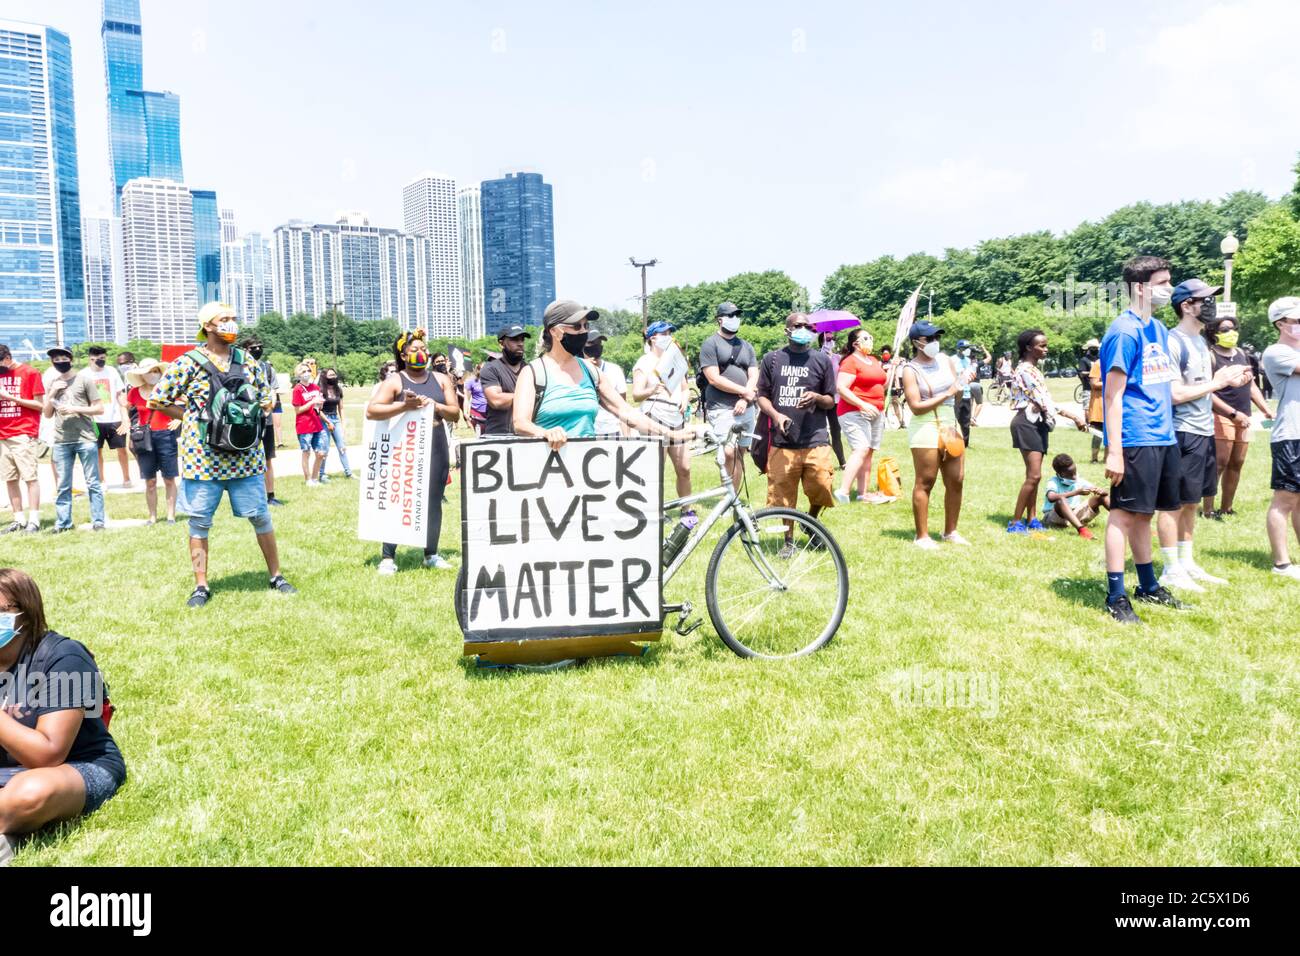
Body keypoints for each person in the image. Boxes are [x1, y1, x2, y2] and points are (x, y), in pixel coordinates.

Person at [149, 302, 296, 608]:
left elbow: (268, 395)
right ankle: (201, 585)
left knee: (261, 517)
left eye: (233, 318)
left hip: (246, 457)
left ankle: (276, 575)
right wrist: (194, 417)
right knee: (199, 523)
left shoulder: (246, 360)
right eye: (224, 319)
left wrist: (258, 408)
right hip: (203, 460)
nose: (232, 324)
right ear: (209, 326)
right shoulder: (188, 362)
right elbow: (158, 399)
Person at [0, 568, 126, 867]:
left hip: (75, 766)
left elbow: (48, 754)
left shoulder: (64, 657)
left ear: (25, 615)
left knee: (32, 793)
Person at [1098, 256, 1184, 624]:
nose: (1169, 289)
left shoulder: (1160, 329)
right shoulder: (1124, 331)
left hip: (1162, 434)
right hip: (1135, 436)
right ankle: (1116, 595)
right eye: (1162, 283)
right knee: (1123, 514)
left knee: (1146, 514)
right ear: (1140, 288)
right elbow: (1112, 394)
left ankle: (1147, 585)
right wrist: (1114, 450)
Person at [1156, 280, 1254, 591]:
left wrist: (1230, 386)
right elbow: (1173, 394)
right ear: (1186, 306)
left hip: (1203, 430)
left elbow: (1202, 391)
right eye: (1205, 300)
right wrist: (1217, 382)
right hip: (1181, 432)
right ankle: (1170, 568)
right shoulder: (1173, 342)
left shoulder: (1200, 342)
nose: (1211, 304)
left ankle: (1187, 562)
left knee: (1191, 501)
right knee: (1172, 503)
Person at [513, 300, 699, 452]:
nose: (583, 332)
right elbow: (520, 423)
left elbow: (627, 412)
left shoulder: (591, 371)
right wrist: (546, 432)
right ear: (555, 331)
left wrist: (673, 433)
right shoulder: (532, 373)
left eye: (586, 326)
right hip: (545, 469)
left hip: (586, 467)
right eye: (576, 327)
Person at [367, 330, 460, 575]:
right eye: (414, 349)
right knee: (399, 498)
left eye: (423, 348)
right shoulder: (395, 380)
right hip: (405, 447)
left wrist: (435, 405)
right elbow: (372, 410)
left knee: (433, 500)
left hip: (436, 444)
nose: (421, 353)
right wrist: (404, 406)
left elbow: (455, 412)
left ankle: (431, 553)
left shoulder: (441, 379)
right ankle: (388, 557)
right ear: (403, 355)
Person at [756, 313, 838, 557]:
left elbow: (831, 399)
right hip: (783, 441)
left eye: (807, 326)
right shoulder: (772, 360)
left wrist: (816, 397)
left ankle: (809, 521)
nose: (803, 329)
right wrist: (777, 416)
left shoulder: (821, 360)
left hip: (815, 437)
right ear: (787, 330)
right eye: (798, 326)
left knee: (823, 486)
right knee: (782, 495)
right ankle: (788, 541)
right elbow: (761, 396)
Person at [1007, 329, 1087, 535]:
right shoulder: (1026, 370)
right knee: (1034, 476)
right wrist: (1075, 417)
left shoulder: (1033, 369)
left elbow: (1045, 402)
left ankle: (1032, 518)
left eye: (1046, 345)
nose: (1046, 349)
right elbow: (1045, 402)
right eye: (1042, 345)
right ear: (1028, 348)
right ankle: (1016, 522)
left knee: (1034, 476)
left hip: (1038, 423)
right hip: (1027, 423)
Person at [900, 321, 972, 549]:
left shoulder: (946, 361)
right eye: (929, 339)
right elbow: (916, 406)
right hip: (925, 425)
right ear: (916, 343)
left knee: (956, 479)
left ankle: (950, 531)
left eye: (936, 338)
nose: (934, 343)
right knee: (926, 481)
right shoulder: (909, 369)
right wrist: (949, 392)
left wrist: (959, 388)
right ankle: (922, 536)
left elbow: (956, 395)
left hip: (950, 423)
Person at [1203, 314, 1273, 518]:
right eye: (1224, 329)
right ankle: (1208, 510)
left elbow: (1251, 386)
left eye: (1233, 328)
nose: (1230, 332)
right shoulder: (1210, 356)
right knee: (1220, 462)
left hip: (1244, 417)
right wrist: (1232, 414)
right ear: (1213, 332)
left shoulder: (1242, 353)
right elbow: (1208, 391)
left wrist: (1265, 408)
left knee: (1237, 462)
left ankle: (1226, 508)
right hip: (1221, 415)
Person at [43, 350, 106, 533]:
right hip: (62, 439)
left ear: (70, 360)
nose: (60, 362)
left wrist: (74, 408)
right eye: (56, 360)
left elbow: (99, 408)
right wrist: (53, 391)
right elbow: (47, 413)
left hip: (85, 437)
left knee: (93, 482)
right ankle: (63, 523)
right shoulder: (53, 383)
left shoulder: (84, 379)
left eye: (64, 359)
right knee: (63, 484)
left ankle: (98, 521)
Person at [632, 321, 693, 503]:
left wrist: (684, 398)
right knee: (656, 470)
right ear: (653, 338)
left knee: (684, 468)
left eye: (669, 333)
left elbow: (685, 388)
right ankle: (655, 510)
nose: (668, 336)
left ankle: (687, 510)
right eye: (664, 333)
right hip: (654, 418)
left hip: (676, 418)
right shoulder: (643, 363)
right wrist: (651, 390)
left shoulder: (674, 359)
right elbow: (636, 394)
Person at [700, 302, 759, 488]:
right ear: (720, 320)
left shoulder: (746, 345)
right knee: (728, 452)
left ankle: (734, 498)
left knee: (741, 452)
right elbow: (713, 378)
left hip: (747, 407)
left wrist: (745, 398)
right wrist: (743, 391)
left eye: (737, 315)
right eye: (731, 315)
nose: (735, 319)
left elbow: (754, 373)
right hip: (722, 407)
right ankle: (727, 493)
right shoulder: (710, 344)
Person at [1262, 297, 1300, 581]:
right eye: (1296, 321)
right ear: (1281, 324)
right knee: (1285, 499)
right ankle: (1281, 564)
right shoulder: (1276, 352)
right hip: (1291, 434)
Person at [834, 327, 890, 504]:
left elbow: (883, 384)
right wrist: (862, 404)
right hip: (854, 412)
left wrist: (892, 369)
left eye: (871, 337)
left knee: (869, 451)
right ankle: (843, 490)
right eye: (866, 337)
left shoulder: (873, 360)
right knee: (861, 449)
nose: (870, 340)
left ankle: (862, 493)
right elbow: (841, 388)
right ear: (855, 344)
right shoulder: (850, 362)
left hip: (876, 411)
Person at [125, 358, 180, 524]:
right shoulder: (134, 392)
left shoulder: (168, 389)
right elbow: (126, 408)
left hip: (166, 435)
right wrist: (128, 428)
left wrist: (179, 419)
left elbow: (189, 403)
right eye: (149, 371)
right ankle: (152, 516)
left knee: (169, 478)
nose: (152, 374)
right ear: (142, 375)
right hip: (144, 437)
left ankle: (171, 515)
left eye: (155, 371)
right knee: (150, 480)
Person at [0, 343, 45, 533]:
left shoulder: (30, 372)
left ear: (8, 358)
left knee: (30, 477)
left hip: (23, 432)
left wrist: (11, 398)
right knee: (9, 479)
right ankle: (18, 519)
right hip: (2, 433)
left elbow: (40, 405)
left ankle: (34, 519)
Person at [239, 336, 285, 506]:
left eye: (259, 347)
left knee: (267, 459)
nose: (257, 350)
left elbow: (273, 390)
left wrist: (269, 408)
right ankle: (248, 497)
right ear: (245, 350)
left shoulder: (267, 368)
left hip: (265, 418)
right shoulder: (237, 367)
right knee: (245, 458)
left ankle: (270, 495)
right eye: (253, 348)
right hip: (245, 420)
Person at [85, 346, 131, 490]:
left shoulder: (111, 371)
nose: (100, 361)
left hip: (114, 418)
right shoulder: (83, 374)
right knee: (96, 450)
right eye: (97, 359)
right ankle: (101, 480)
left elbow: (120, 395)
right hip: (93, 420)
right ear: (90, 359)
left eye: (103, 358)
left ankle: (127, 478)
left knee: (121, 449)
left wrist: (125, 418)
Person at [1043, 453, 1110, 538]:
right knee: (1061, 500)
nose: (1074, 477)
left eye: (1075, 472)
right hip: (1055, 517)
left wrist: (1101, 491)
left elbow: (1103, 492)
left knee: (1100, 498)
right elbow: (1051, 497)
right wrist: (1076, 492)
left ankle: (1123, 520)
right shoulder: (1053, 482)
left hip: (1074, 515)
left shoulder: (1078, 480)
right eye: (1070, 474)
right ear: (1060, 474)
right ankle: (1082, 530)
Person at [479, 325, 529, 437]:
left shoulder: (531, 369)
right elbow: (496, 401)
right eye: (515, 339)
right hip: (499, 435)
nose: (520, 343)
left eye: (522, 339)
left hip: (527, 435)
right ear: (501, 343)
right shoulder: (491, 368)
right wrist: (532, 396)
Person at [585, 329, 629, 439]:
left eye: (599, 343)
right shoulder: (576, 369)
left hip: (611, 430)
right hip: (586, 431)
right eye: (591, 343)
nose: (596, 346)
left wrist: (627, 436)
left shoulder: (615, 369)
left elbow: (623, 406)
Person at [291, 362, 327, 487]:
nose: (306, 373)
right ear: (298, 375)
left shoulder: (316, 388)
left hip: (317, 423)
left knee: (321, 453)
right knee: (306, 452)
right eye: (303, 372)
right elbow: (298, 410)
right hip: (304, 425)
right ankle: (308, 480)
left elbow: (318, 408)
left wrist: (319, 404)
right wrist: (312, 401)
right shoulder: (297, 389)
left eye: (308, 371)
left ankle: (315, 478)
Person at [315, 367, 352, 481]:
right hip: (324, 419)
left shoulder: (338, 389)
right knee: (324, 448)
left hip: (335, 419)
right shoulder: (320, 390)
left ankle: (349, 473)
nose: (333, 377)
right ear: (324, 376)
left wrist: (343, 423)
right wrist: (328, 422)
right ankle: (322, 474)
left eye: (334, 375)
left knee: (342, 447)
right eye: (330, 375)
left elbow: (341, 408)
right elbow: (318, 410)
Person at [954, 339, 990, 444]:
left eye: (967, 348)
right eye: (964, 348)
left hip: (966, 393)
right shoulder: (952, 360)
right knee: (953, 420)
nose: (966, 350)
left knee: (965, 421)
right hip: (955, 394)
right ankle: (952, 442)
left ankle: (965, 444)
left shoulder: (969, 361)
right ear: (959, 349)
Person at [1084, 339, 1105, 462]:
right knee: (1098, 433)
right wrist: (1111, 382)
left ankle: (1107, 458)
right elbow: (1094, 384)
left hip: (1110, 404)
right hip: (1099, 403)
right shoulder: (1098, 364)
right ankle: (1094, 459)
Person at [463, 365, 488, 436]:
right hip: (477, 412)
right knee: (480, 435)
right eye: (481, 369)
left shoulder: (492, 380)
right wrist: (465, 412)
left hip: (490, 411)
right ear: (478, 370)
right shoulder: (471, 381)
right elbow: (467, 398)